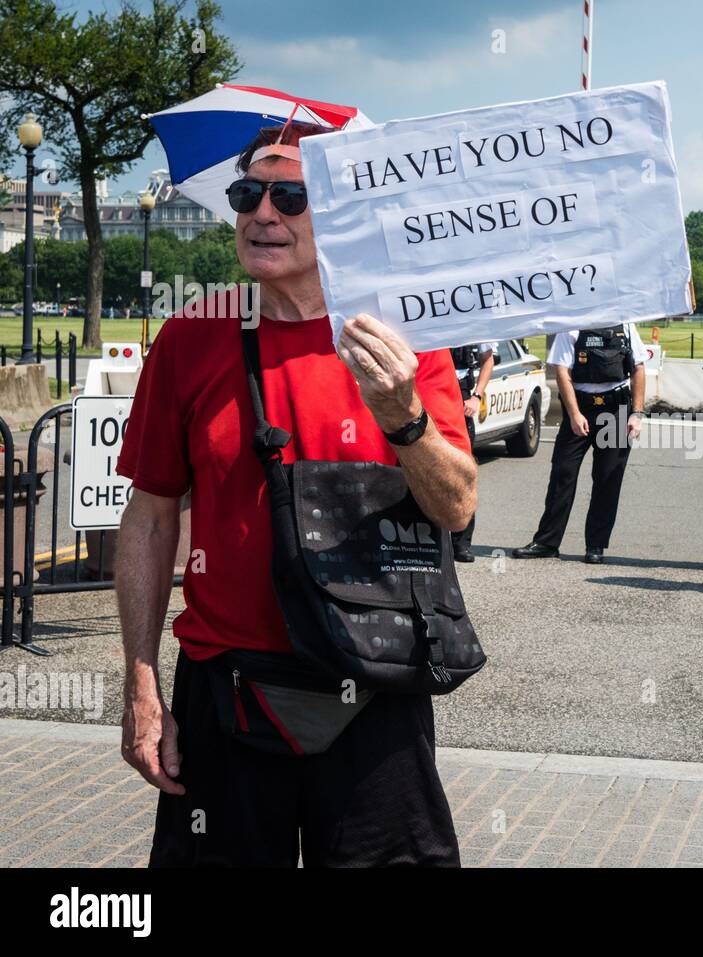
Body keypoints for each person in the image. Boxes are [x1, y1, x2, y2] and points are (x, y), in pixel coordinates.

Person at [115, 121, 476, 867]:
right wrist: (143, 685)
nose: (262, 213)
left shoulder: (404, 339)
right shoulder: (190, 337)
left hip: (374, 683)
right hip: (227, 689)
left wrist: (405, 417)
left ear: (342, 211)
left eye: (291, 196)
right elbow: (150, 517)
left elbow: (456, 507)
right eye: (248, 193)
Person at [511, 323, 646, 564]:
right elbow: (562, 370)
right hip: (580, 408)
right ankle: (546, 542)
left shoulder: (625, 325)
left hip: (615, 410)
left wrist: (637, 413)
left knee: (607, 479)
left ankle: (595, 545)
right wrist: (574, 414)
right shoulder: (572, 325)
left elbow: (638, 368)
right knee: (563, 474)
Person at [450, 341, 497, 562]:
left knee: (464, 473)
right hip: (428, 391)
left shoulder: (471, 321)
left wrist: (476, 396)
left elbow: (488, 360)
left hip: (461, 395)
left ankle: (461, 542)